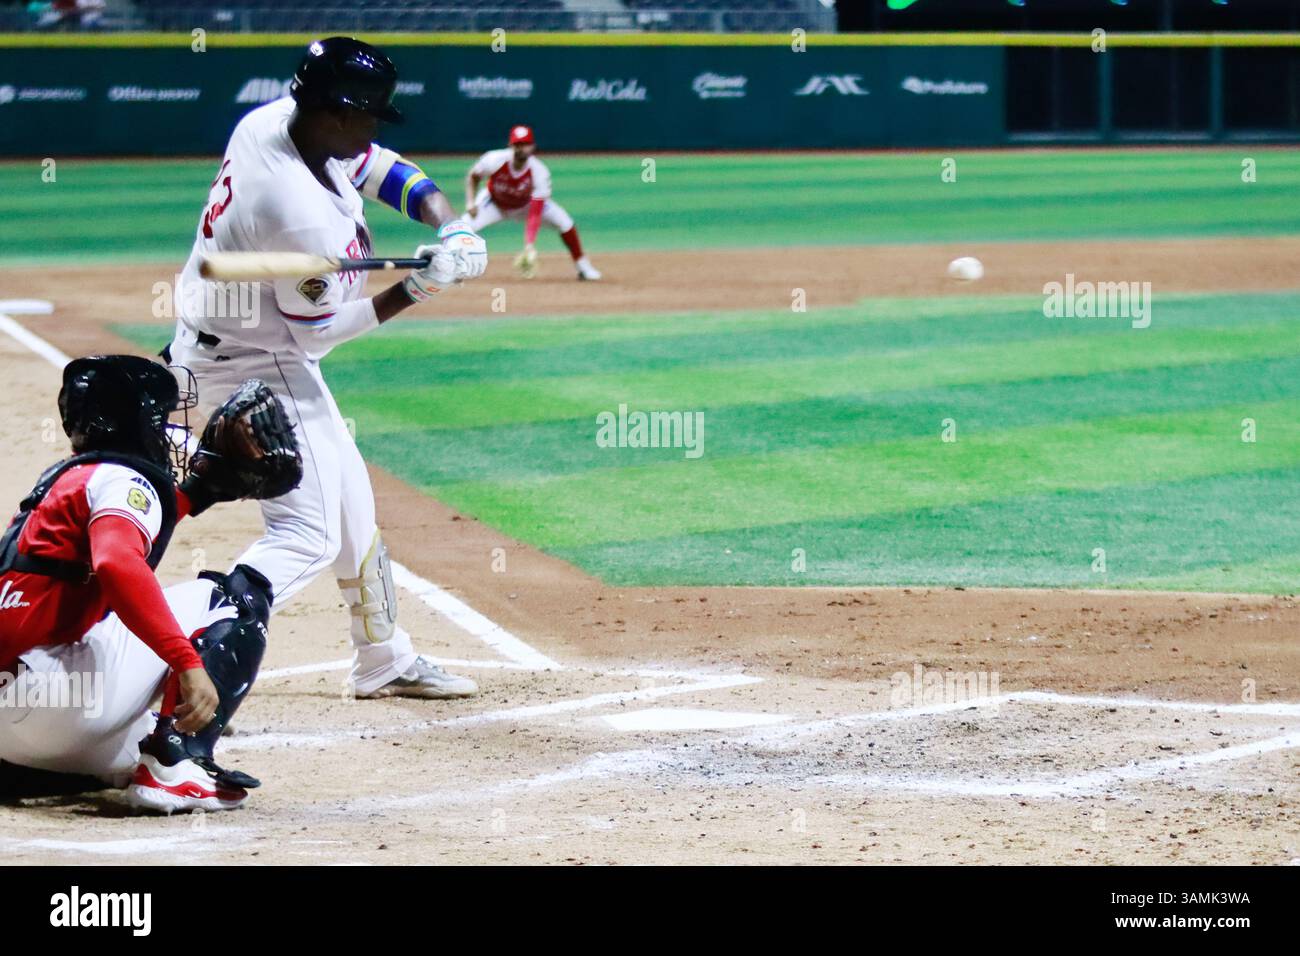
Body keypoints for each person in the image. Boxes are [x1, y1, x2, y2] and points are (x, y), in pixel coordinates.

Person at [168, 36, 487, 700]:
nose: (374, 125)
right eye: (368, 114)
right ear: (336, 113)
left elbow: (379, 165)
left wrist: (450, 226)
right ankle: (176, 647)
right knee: (307, 534)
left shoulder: (275, 121)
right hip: (254, 362)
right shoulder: (298, 215)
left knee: (349, 496)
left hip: (238, 339)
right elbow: (316, 338)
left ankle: (383, 656)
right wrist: (418, 289)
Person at [0, 355, 299, 812]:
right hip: (49, 704)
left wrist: (199, 492)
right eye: (160, 418)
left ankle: (55, 766)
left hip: (13, 725)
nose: (165, 431)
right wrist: (186, 662)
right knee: (230, 598)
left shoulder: (70, 481)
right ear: (137, 421)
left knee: (130, 739)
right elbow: (117, 561)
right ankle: (178, 765)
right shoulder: (123, 479)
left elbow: (117, 536)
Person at [465, 124, 601, 281]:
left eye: (526, 144)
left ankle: (583, 267)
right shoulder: (494, 159)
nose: (522, 148)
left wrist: (529, 245)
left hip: (526, 206)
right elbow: (473, 177)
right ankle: (450, 267)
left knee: (565, 223)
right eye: (518, 144)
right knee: (463, 226)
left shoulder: (539, 172)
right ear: (510, 145)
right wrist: (470, 202)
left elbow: (535, 213)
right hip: (495, 203)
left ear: (533, 146)